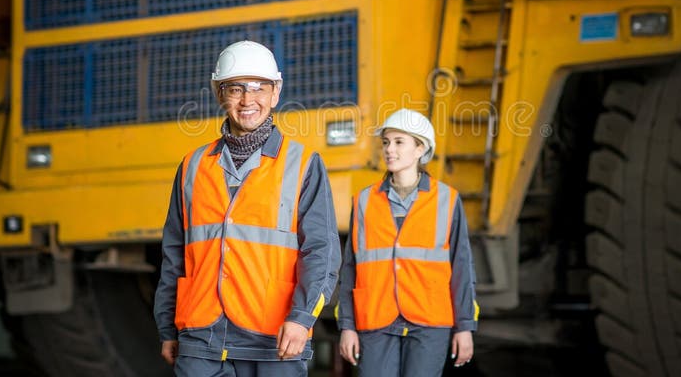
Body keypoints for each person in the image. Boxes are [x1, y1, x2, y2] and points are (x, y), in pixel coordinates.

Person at [154, 40, 341, 377]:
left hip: (273, 336)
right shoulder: (193, 166)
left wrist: (302, 318)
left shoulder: (302, 164)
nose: (247, 99)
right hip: (201, 337)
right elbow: (174, 254)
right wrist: (168, 327)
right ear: (219, 94)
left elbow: (321, 252)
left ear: (275, 93)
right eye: (235, 88)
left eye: (258, 87)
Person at [337, 108, 478, 376]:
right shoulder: (364, 201)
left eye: (399, 142)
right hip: (375, 317)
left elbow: (462, 267)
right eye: (386, 142)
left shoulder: (446, 199)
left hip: (429, 320)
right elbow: (350, 270)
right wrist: (347, 325)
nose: (389, 149)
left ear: (420, 149)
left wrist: (465, 327)